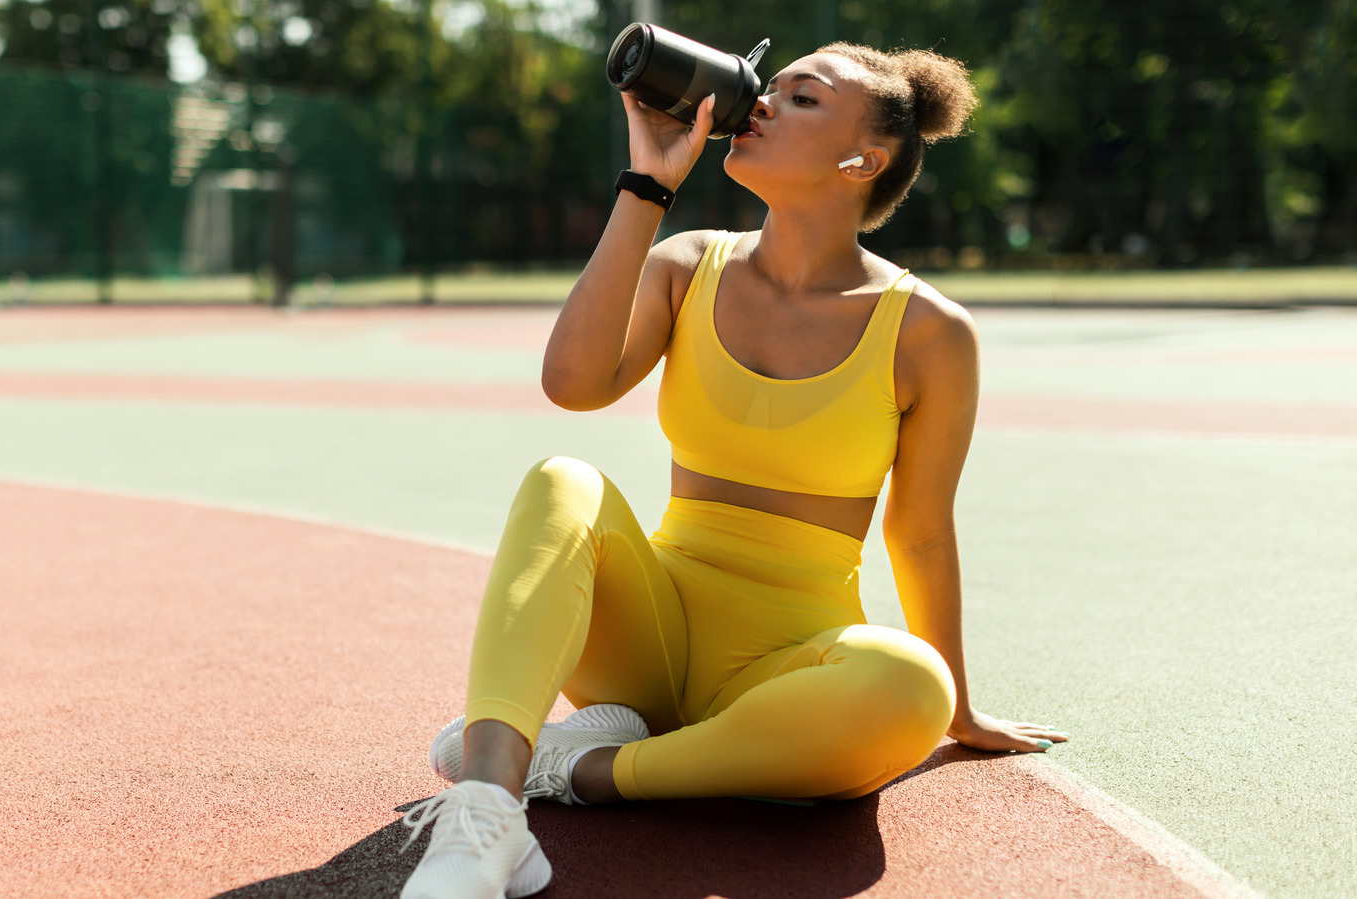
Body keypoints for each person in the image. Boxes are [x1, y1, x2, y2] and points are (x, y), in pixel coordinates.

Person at [398, 41, 1068, 899]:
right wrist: (647, 185)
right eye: (769, 83)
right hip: (648, 644)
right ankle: (485, 810)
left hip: (787, 673)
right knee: (564, 477)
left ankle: (581, 769)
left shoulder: (930, 331)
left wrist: (959, 709)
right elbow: (572, 384)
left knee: (912, 684)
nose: (760, 100)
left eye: (802, 97)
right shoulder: (687, 264)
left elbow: (921, 529)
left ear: (863, 159)